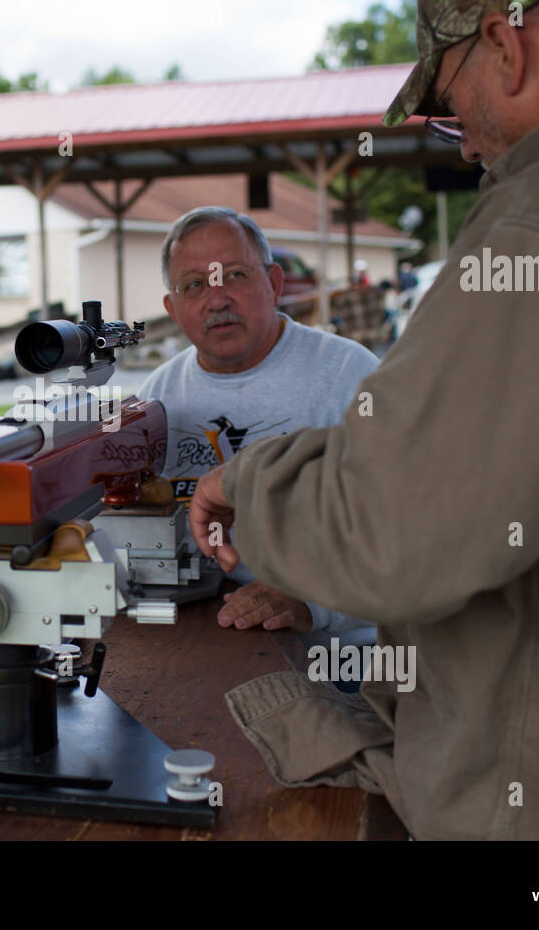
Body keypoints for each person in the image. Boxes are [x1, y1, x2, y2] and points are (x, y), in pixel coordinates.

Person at [189, 0, 539, 838]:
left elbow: (398, 532)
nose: (462, 141)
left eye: (445, 103)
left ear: (506, 49)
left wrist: (252, 487)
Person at [138, 207, 378, 648]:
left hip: (338, 654)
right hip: (204, 635)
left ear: (274, 283)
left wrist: (314, 605)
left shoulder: (349, 376)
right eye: (195, 285)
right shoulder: (158, 397)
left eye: (234, 275)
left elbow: (416, 539)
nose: (217, 299)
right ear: (173, 309)